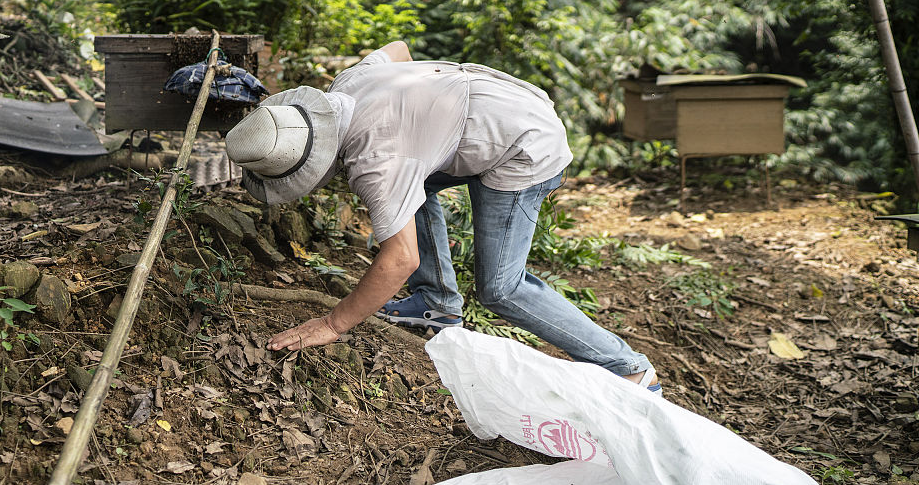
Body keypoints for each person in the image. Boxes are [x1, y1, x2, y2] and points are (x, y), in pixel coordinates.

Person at [224, 41, 660, 394]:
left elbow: (400, 260)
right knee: (422, 183)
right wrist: (423, 114)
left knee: (501, 288)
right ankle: (437, 304)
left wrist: (332, 323)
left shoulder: (377, 161)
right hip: (505, 105)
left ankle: (627, 367)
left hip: (525, 145)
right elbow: (397, 49)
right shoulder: (349, 84)